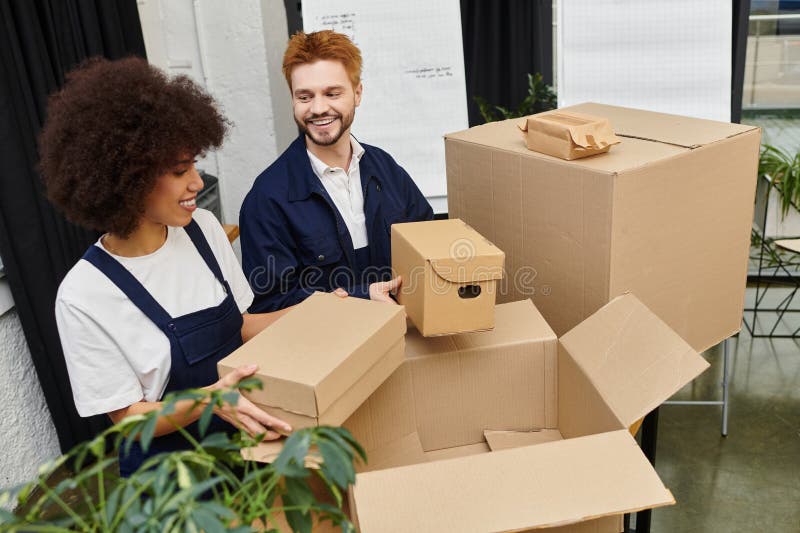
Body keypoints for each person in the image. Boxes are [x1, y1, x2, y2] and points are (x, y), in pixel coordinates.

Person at [40, 57, 292, 477]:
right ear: (128, 178)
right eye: (179, 171)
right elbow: (130, 419)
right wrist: (210, 400)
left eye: (193, 163)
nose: (197, 182)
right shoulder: (84, 294)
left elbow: (240, 325)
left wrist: (323, 309)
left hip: (250, 450)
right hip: (173, 483)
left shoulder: (205, 230)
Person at [240, 30, 434, 313]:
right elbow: (271, 305)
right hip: (325, 352)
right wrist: (362, 298)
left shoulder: (387, 169)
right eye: (305, 97)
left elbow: (428, 245)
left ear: (357, 93)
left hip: (403, 334)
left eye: (332, 93)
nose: (318, 109)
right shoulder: (267, 199)